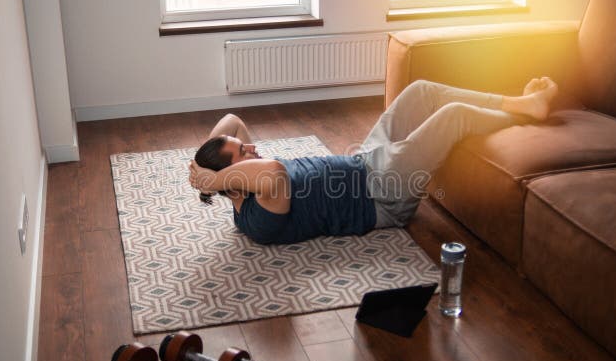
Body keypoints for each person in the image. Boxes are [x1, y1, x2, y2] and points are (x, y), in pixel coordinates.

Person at [189, 77, 559, 244]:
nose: (252, 147)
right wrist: (213, 179)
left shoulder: (243, 182)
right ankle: (527, 112)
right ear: (232, 179)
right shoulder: (259, 216)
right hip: (382, 193)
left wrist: (204, 169)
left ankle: (517, 102)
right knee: (454, 115)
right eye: (242, 152)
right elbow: (274, 172)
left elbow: (231, 121)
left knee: (422, 91)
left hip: (365, 162)